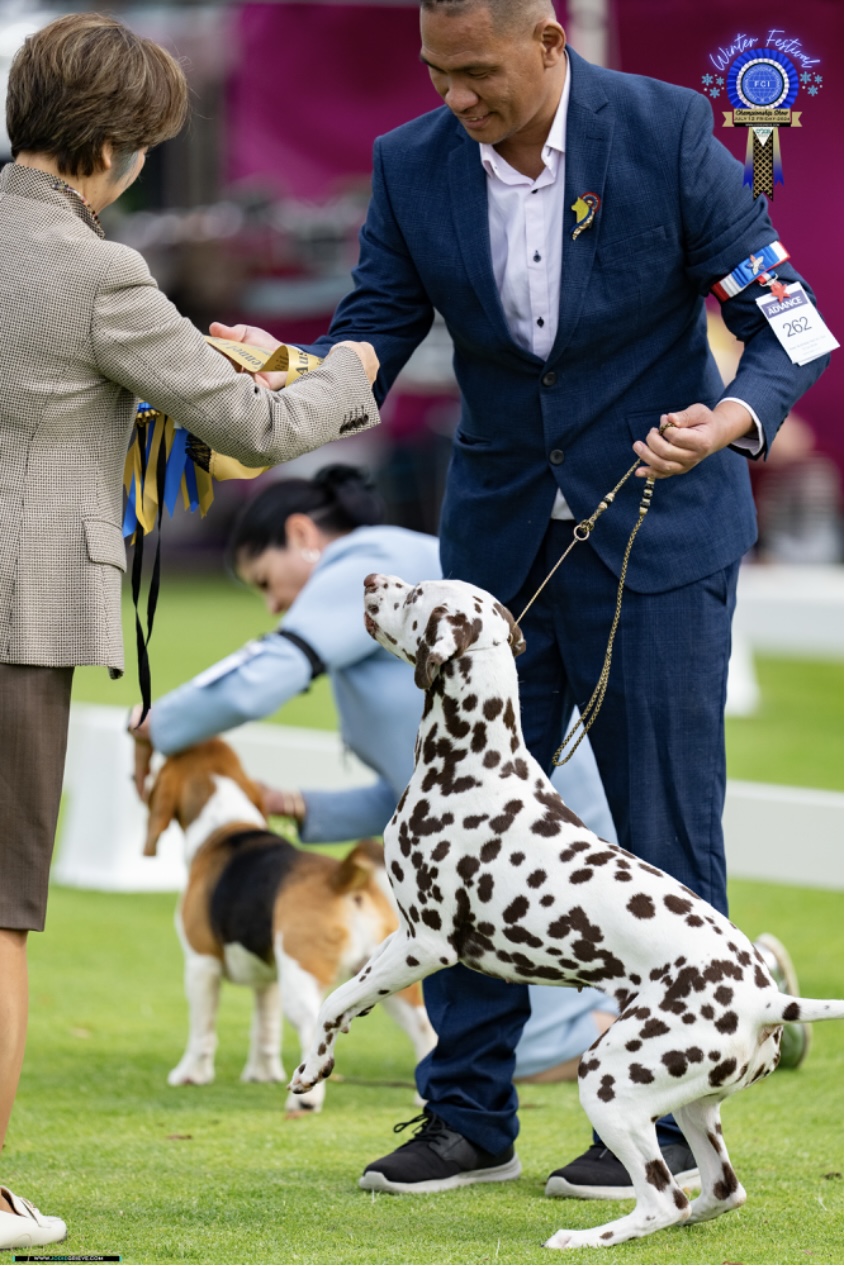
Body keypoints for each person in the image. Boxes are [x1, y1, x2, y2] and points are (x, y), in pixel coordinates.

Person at [210, 0, 829, 1201]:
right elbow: (377, 326)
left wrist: (733, 418)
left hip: (660, 536)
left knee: (664, 831)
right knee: (458, 832)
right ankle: (467, 1118)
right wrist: (290, 377)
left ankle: (662, 1125)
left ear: (551, 41)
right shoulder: (411, 162)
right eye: (434, 72)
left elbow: (787, 322)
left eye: (476, 72)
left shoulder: (666, 132)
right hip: (496, 541)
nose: (454, 98)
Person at [0, 14, 379, 1250]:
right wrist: (352, 365)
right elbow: (257, 428)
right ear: (110, 147)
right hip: (14, 619)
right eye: (147, 149)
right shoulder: (101, 273)